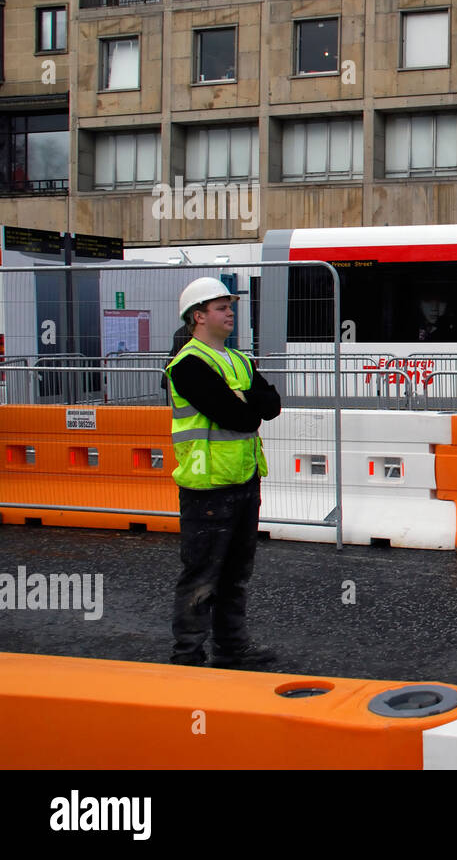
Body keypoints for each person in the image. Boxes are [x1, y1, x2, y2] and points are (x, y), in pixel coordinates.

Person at [167, 277, 281, 668]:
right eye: (220, 307)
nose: (230, 312)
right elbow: (239, 415)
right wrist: (248, 402)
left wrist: (245, 400)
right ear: (198, 317)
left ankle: (232, 648)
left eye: (230, 306)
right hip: (208, 487)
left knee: (235, 573)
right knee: (202, 576)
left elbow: (272, 405)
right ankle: (188, 656)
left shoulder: (240, 361)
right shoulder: (187, 364)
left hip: (245, 480)